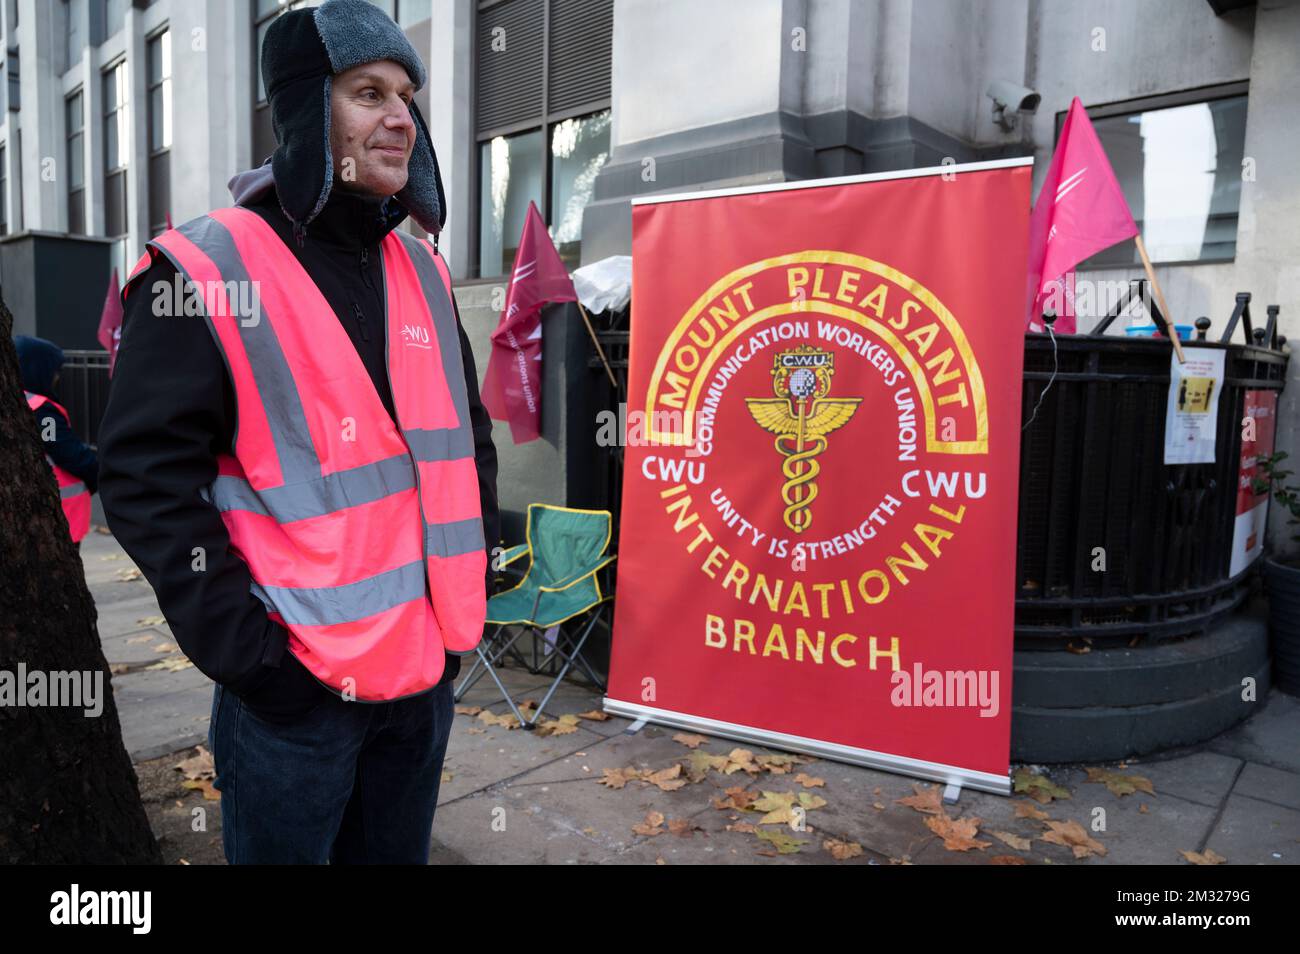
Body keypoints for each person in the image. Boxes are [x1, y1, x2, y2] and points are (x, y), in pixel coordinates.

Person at [97, 0, 499, 864]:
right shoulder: (206, 266)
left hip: (422, 678)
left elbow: (467, 440)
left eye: (406, 95)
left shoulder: (421, 268)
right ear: (308, 109)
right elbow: (141, 480)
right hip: (297, 694)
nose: (401, 117)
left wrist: (472, 592)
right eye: (368, 93)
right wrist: (256, 664)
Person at [15, 335, 97, 547]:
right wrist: (100, 472)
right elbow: (67, 452)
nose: (57, 377)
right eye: (55, 370)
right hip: (57, 513)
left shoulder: (18, 402)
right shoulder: (41, 410)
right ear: (38, 368)